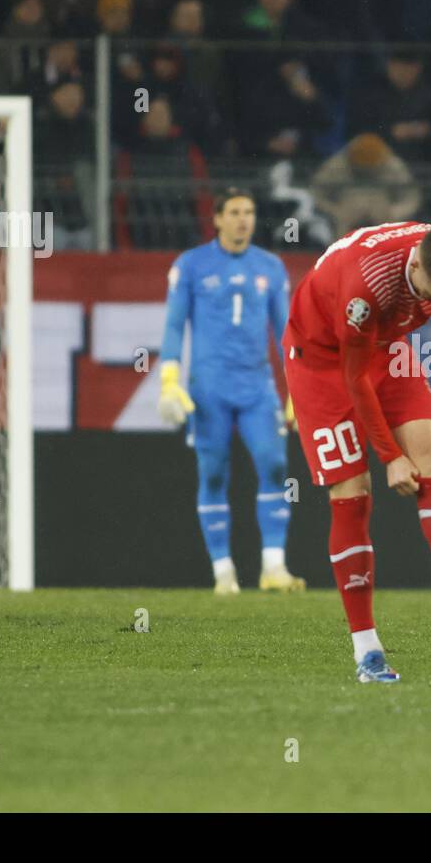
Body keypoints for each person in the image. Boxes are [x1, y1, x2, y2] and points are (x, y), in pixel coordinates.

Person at [282, 220, 431, 683]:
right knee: (354, 493)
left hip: (386, 347)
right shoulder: (365, 286)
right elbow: (355, 379)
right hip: (322, 359)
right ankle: (367, 651)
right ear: (413, 265)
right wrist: (390, 456)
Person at [158, 189, 305, 596]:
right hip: (210, 390)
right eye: (236, 212)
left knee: (275, 467)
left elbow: (286, 333)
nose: (244, 219)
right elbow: (174, 325)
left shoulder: (271, 267)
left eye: (250, 212)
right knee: (214, 472)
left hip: (257, 389)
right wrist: (169, 376)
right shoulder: (190, 265)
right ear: (218, 219)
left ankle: (274, 567)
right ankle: (223, 571)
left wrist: (299, 386)